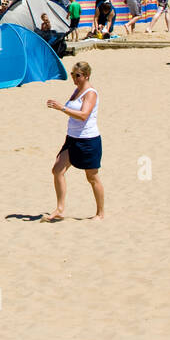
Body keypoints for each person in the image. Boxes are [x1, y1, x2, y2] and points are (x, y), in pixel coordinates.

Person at [44, 61, 104, 221]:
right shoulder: (77, 90)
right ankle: (60, 209)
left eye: (77, 76)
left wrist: (61, 108)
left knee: (92, 177)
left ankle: (100, 213)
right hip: (72, 138)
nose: (74, 78)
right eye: (73, 75)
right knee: (57, 170)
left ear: (86, 76)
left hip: (88, 140)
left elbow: (84, 115)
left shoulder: (90, 93)